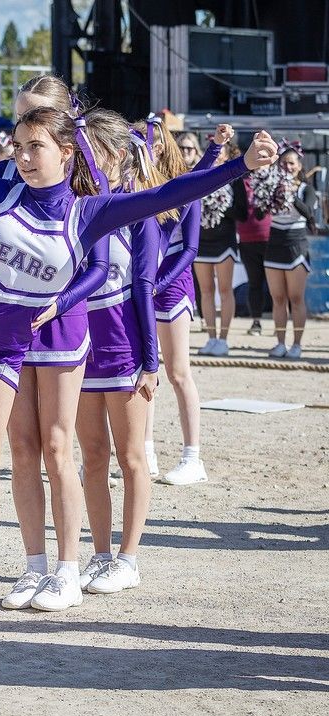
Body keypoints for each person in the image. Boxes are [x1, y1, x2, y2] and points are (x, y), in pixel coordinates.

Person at [0, 107, 277, 627]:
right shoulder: (1, 192)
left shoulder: (90, 213)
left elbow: (167, 195)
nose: (25, 157)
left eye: (36, 146)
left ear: (65, 151)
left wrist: (241, 165)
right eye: (19, 146)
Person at [0, 74, 94, 614]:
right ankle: (33, 565)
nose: (20, 134)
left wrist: (60, 301)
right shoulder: (4, 171)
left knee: (58, 445)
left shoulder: (83, 182)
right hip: (7, 316)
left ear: (61, 124)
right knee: (21, 446)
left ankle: (67, 569)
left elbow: (100, 264)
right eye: (17, 121)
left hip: (58, 319)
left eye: (34, 118)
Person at [74, 110, 170, 596]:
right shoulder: (73, 209)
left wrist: (152, 362)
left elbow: (144, 290)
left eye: (92, 152)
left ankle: (129, 558)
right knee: (92, 456)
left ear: (113, 157)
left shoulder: (140, 214)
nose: (84, 162)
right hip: (79, 350)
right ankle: (100, 553)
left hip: (125, 348)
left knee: (131, 456)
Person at [139, 120, 223, 486]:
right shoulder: (136, 185)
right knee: (145, 371)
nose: (143, 147)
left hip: (171, 286)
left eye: (148, 141)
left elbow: (189, 249)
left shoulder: (184, 185)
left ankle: (193, 457)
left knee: (177, 371)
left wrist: (158, 282)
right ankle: (145, 451)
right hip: (140, 286)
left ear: (161, 146)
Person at [266, 142, 316, 359]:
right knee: (277, 298)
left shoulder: (307, 188)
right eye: (283, 163)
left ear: (299, 165)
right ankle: (280, 343)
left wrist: (290, 192)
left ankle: (297, 344)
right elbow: (259, 215)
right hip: (275, 244)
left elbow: (309, 213)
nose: (287, 167)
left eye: (291, 163)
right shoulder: (270, 186)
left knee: (296, 298)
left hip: (297, 245)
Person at [193, 138, 243, 357]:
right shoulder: (201, 176)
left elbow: (243, 212)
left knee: (224, 290)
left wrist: (221, 208)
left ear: (228, 153)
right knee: (205, 291)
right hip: (202, 241)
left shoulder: (235, 179)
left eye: (222, 150)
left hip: (225, 241)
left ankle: (224, 339)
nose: (218, 154)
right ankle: (211, 338)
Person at [234, 170, 271, 336]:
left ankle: (281, 326)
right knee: (254, 283)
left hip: (272, 239)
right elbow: (240, 212)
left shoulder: (274, 176)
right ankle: (256, 322)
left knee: (278, 287)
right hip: (247, 240)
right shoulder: (241, 180)